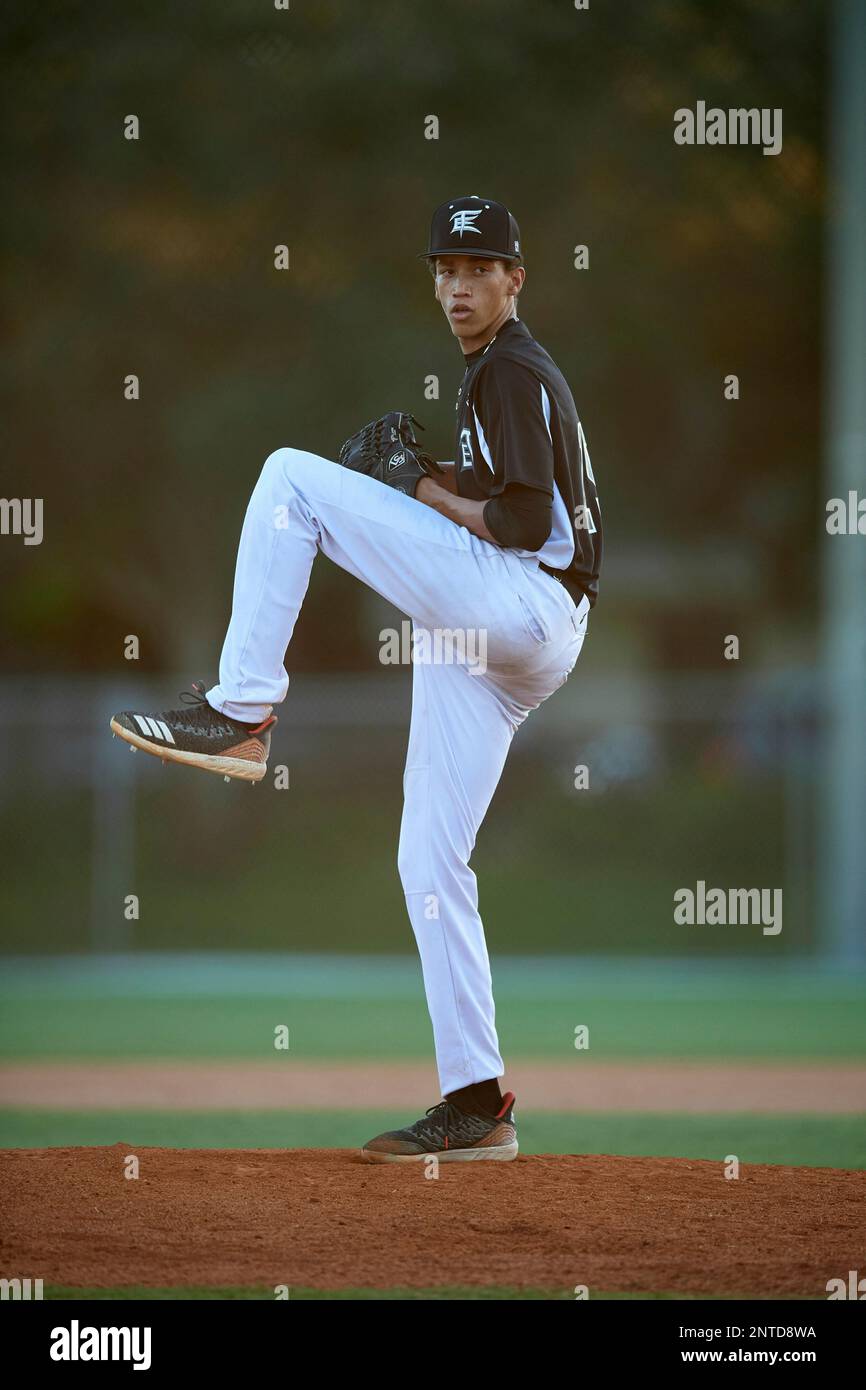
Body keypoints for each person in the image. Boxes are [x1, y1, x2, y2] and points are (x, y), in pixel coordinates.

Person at [110, 194, 603, 1163]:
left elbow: (512, 527)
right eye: (443, 269)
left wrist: (411, 485)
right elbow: (504, 504)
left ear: (515, 280)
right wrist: (426, 477)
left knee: (289, 478)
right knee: (428, 861)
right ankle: (475, 1104)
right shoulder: (502, 373)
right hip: (521, 631)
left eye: (477, 269)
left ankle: (242, 709)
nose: (458, 286)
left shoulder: (507, 366)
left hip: (522, 601)